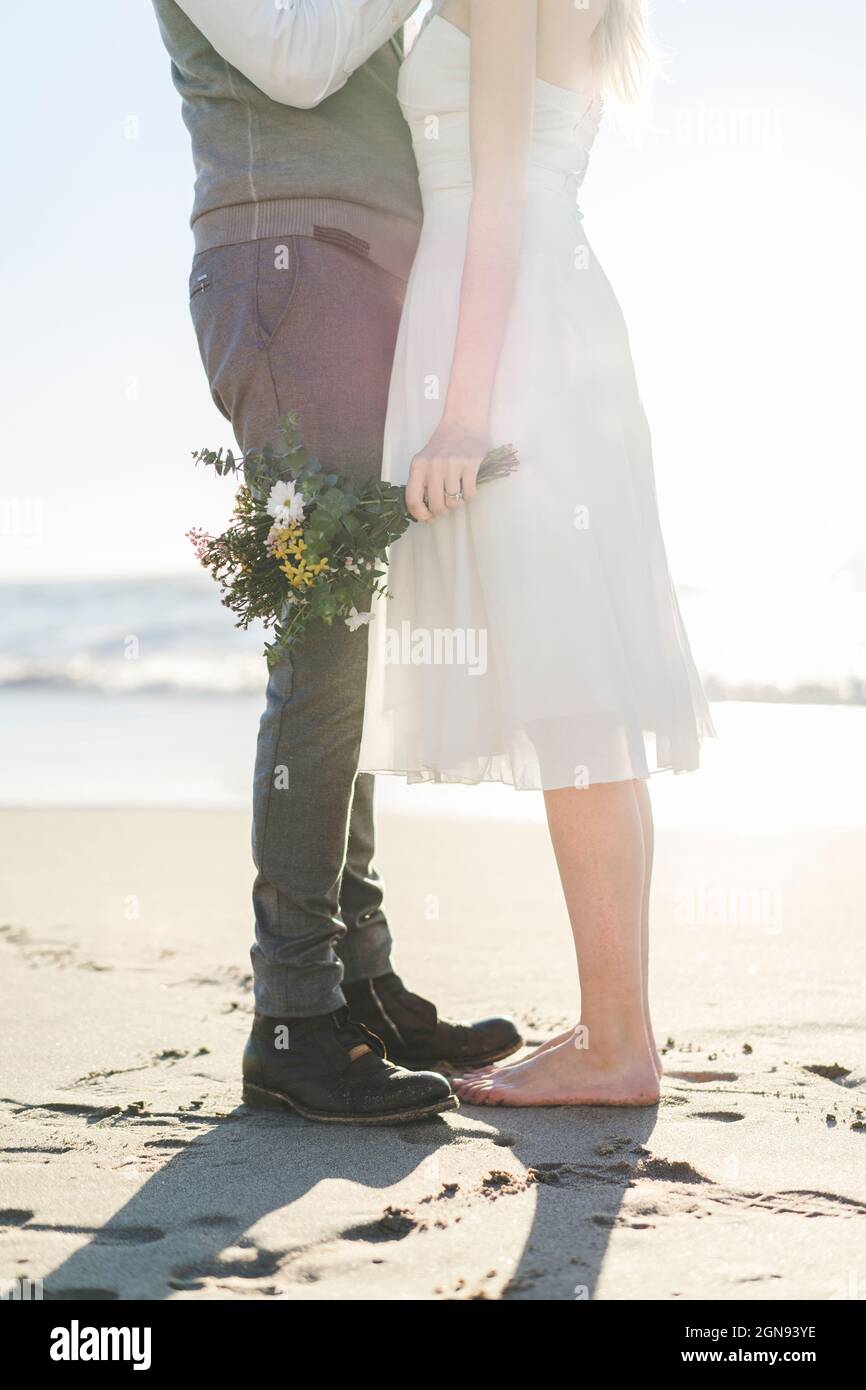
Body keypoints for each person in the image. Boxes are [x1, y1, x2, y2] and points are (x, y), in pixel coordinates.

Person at [152, 0, 522, 1124]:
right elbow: (302, 66)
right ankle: (292, 1017)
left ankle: (355, 982)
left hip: (352, 272)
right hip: (289, 269)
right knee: (321, 640)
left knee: (349, 645)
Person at [358, 0, 716, 1107]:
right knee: (580, 684)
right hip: (527, 314)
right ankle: (615, 1029)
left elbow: (499, 191)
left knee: (571, 688)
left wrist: (464, 413)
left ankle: (616, 1047)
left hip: (509, 331)